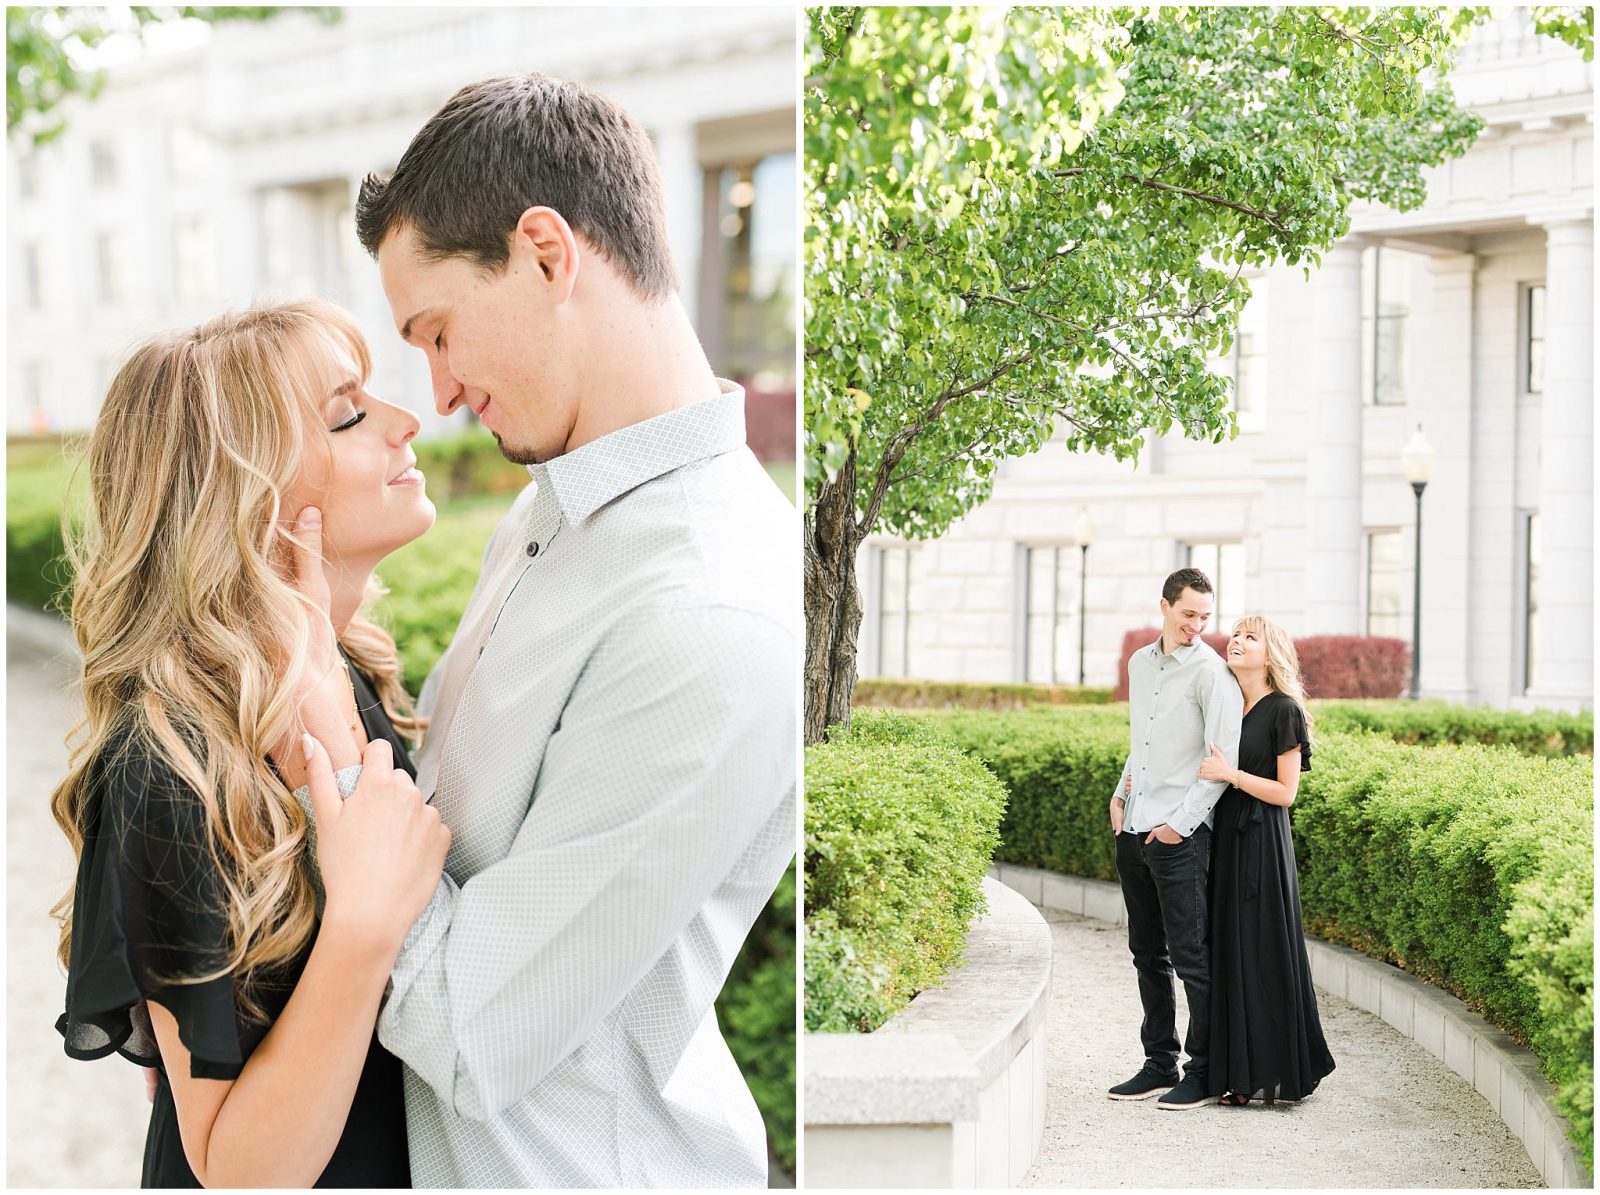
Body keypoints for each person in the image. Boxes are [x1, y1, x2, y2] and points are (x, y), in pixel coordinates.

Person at [292, 73, 798, 1186]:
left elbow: (475, 1032)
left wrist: (329, 739)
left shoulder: (707, 614)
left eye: (437, 331)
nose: (439, 391)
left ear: (545, 252)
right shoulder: (549, 508)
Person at [52, 300, 452, 1187]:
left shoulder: (351, 674)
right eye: (348, 414)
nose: (406, 421)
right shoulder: (170, 763)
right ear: (247, 502)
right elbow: (237, 1169)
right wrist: (361, 925)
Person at [1107, 567, 1242, 1110]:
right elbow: (1143, 740)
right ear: (1163, 607)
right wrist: (1120, 798)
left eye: (1205, 617)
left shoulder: (1212, 673)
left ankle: (1203, 1070)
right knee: (1146, 953)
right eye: (1189, 615)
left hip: (1177, 836)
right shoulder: (1141, 663)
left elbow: (1219, 761)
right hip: (1133, 824)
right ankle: (1158, 1062)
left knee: (1191, 955)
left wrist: (1177, 827)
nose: (1198, 626)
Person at [1198, 615, 1336, 1105]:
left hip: (1262, 843)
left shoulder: (1283, 711)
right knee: (1230, 950)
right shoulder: (1229, 702)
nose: (1236, 641)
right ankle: (1237, 1072)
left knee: (1261, 951)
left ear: (1270, 653)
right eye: (1235, 634)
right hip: (1229, 842)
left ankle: (1271, 1073)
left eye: (1249, 637)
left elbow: (1285, 792)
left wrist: (1231, 775)